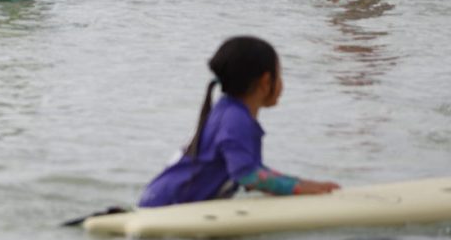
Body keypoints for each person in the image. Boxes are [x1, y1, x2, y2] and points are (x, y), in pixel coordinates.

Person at [138, 36, 338, 207]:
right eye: (280, 74)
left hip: (159, 198)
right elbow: (247, 175)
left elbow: (249, 172)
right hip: (168, 205)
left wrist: (299, 183)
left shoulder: (228, 110)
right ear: (266, 81)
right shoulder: (235, 119)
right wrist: (300, 187)